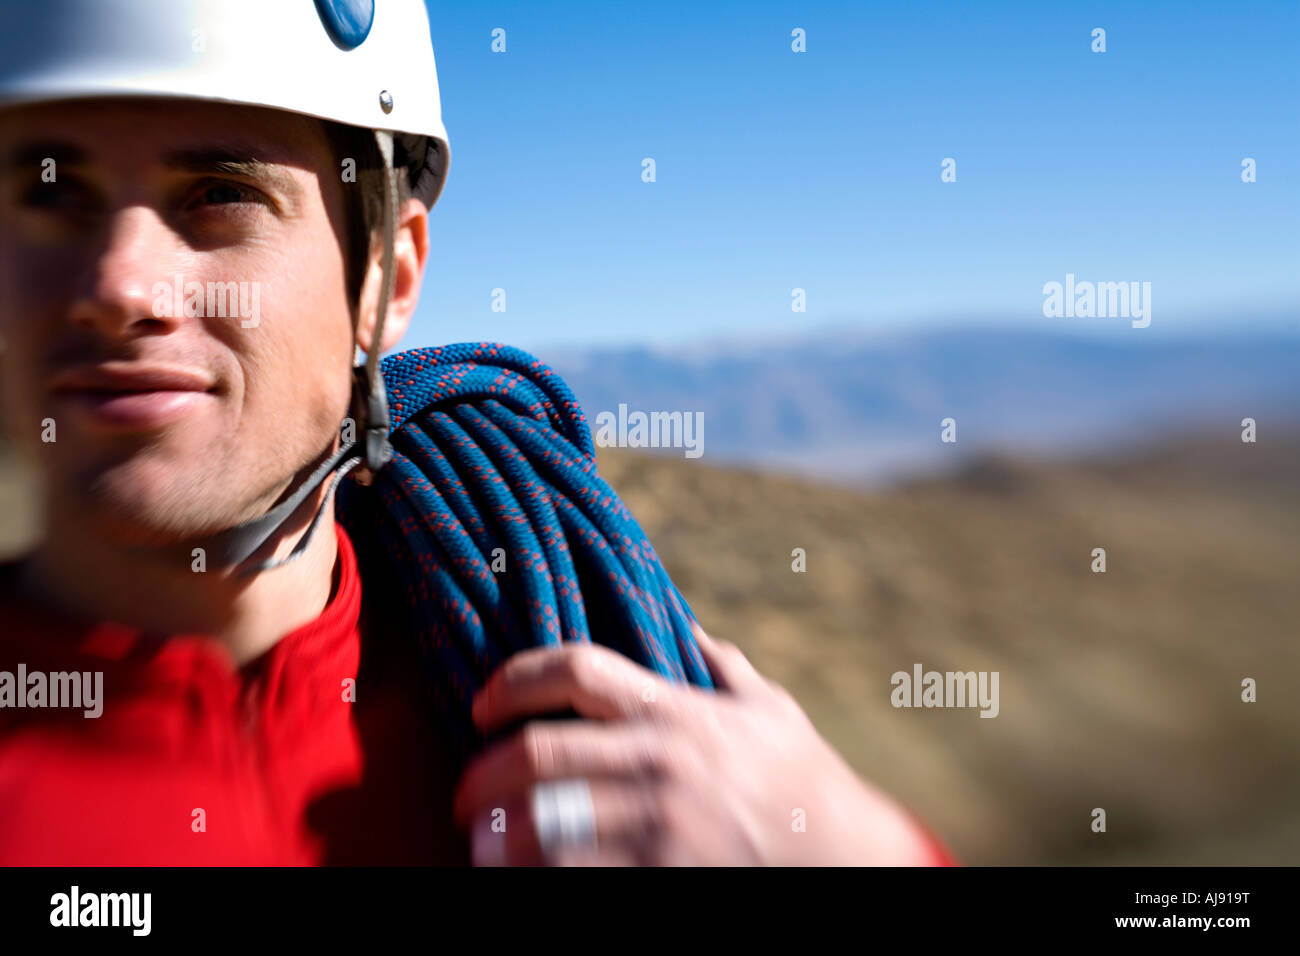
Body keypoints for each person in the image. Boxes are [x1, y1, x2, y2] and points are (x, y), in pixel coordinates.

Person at [0, 0, 956, 866]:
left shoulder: (616, 739)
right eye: (50, 195)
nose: (119, 286)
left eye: (218, 193)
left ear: (389, 277)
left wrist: (850, 844)